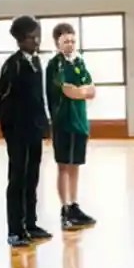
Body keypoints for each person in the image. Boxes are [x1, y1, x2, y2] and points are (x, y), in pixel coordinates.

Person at [0, 15, 53, 247]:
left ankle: (30, 222)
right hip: (17, 132)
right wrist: (10, 133)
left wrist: (44, 124)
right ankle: (15, 228)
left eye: (37, 36)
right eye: (31, 37)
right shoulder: (13, 65)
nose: (36, 41)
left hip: (34, 129)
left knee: (33, 177)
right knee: (18, 179)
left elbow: (38, 97)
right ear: (20, 40)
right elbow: (5, 102)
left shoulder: (36, 62)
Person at [44, 23, 98, 232]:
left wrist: (82, 90)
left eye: (73, 40)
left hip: (80, 122)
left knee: (75, 165)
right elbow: (69, 91)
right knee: (64, 165)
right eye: (66, 41)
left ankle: (74, 205)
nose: (70, 44)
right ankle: (65, 208)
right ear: (57, 42)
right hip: (63, 122)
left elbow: (91, 90)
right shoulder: (55, 65)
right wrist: (81, 90)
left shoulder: (79, 62)